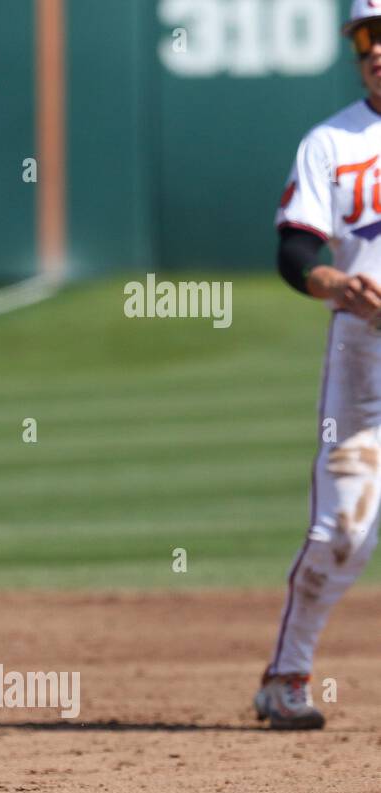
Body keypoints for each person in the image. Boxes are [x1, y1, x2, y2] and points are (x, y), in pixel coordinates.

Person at [263, 0, 381, 731]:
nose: (375, 50)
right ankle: (286, 677)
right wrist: (336, 283)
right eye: (366, 37)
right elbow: (295, 250)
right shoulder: (330, 143)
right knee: (344, 534)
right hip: (364, 357)